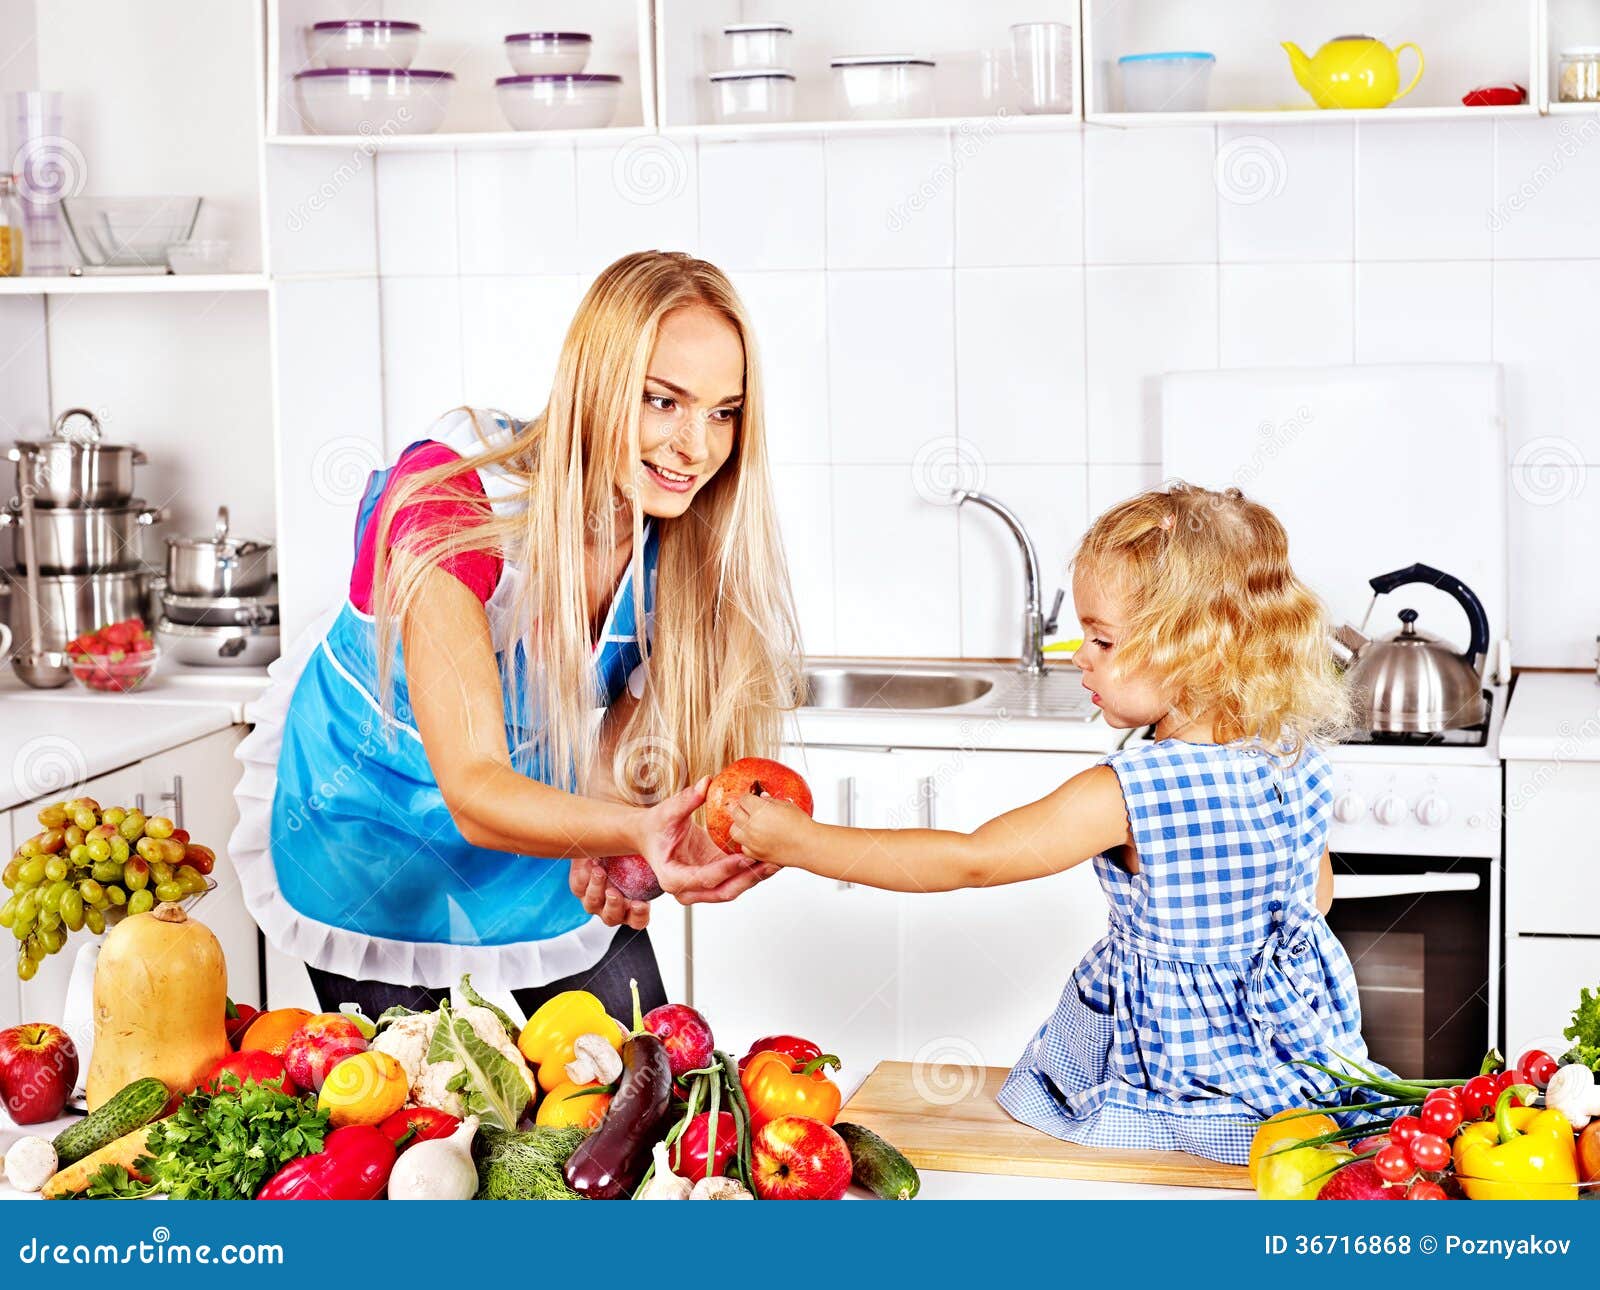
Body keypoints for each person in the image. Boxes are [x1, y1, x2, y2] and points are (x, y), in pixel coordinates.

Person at [725, 482, 1379, 1164]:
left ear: (1198, 650)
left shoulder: (1134, 789)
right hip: (1297, 1065)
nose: (1079, 657)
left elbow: (972, 860)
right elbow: (1316, 897)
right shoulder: (1290, 751)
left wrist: (800, 842)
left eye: (1102, 639)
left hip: (1177, 1081)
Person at [231, 251, 798, 1022]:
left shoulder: (679, 538)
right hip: (371, 825)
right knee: (426, 1115)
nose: (696, 447)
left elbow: (614, 764)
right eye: (663, 402)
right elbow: (473, 790)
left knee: (638, 1072)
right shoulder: (454, 501)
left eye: (723, 411)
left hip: (528, 808)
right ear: (593, 386)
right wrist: (637, 828)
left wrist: (618, 836)